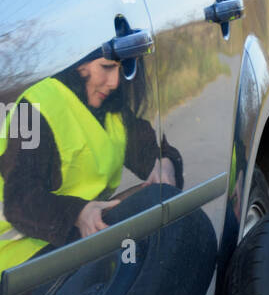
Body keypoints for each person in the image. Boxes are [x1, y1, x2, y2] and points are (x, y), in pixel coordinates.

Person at [0, 50, 182, 279]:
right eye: (106, 67)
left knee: (155, 202)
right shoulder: (35, 107)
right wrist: (78, 213)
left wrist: (165, 163)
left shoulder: (108, 110)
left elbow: (150, 147)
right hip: (15, 265)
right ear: (80, 63)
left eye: (121, 69)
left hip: (68, 241)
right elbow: (19, 201)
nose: (115, 82)